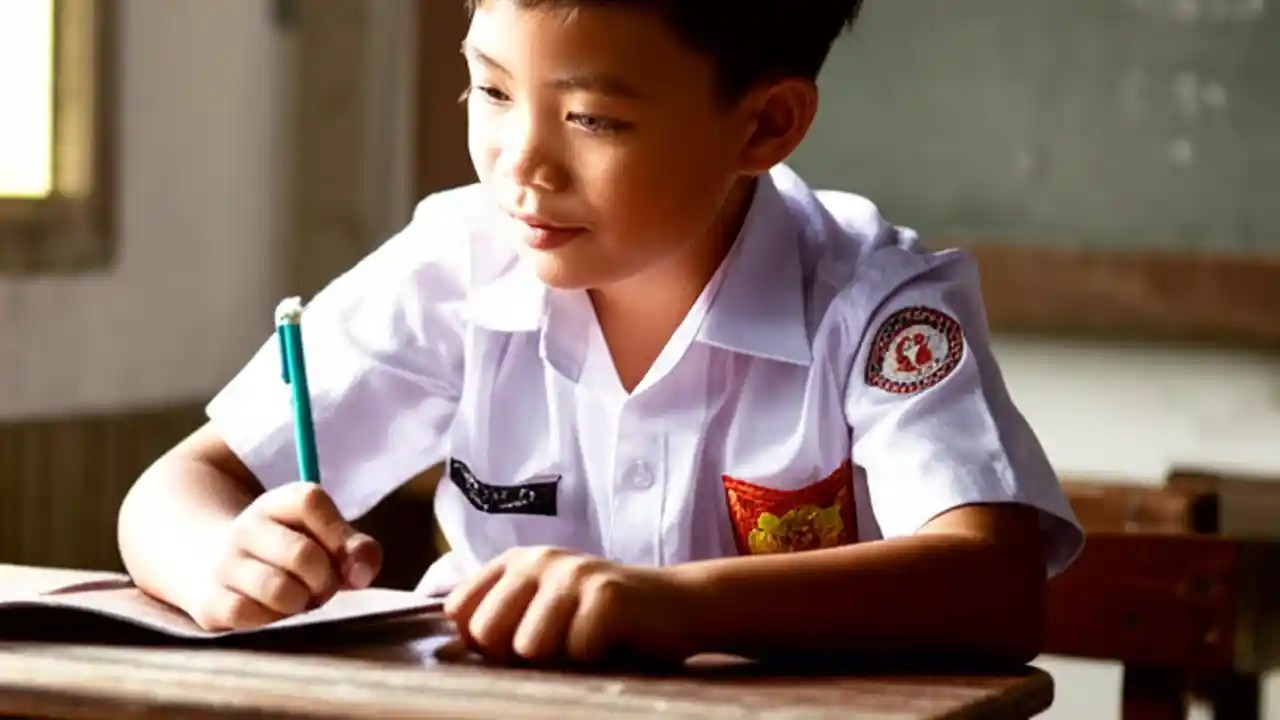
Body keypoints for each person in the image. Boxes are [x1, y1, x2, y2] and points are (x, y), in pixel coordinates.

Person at [118, 0, 1082, 665]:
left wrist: (678, 606)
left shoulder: (870, 301)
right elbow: (178, 488)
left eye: (591, 119)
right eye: (490, 92)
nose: (521, 166)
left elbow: (994, 587)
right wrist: (217, 560)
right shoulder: (453, 262)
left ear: (765, 125)